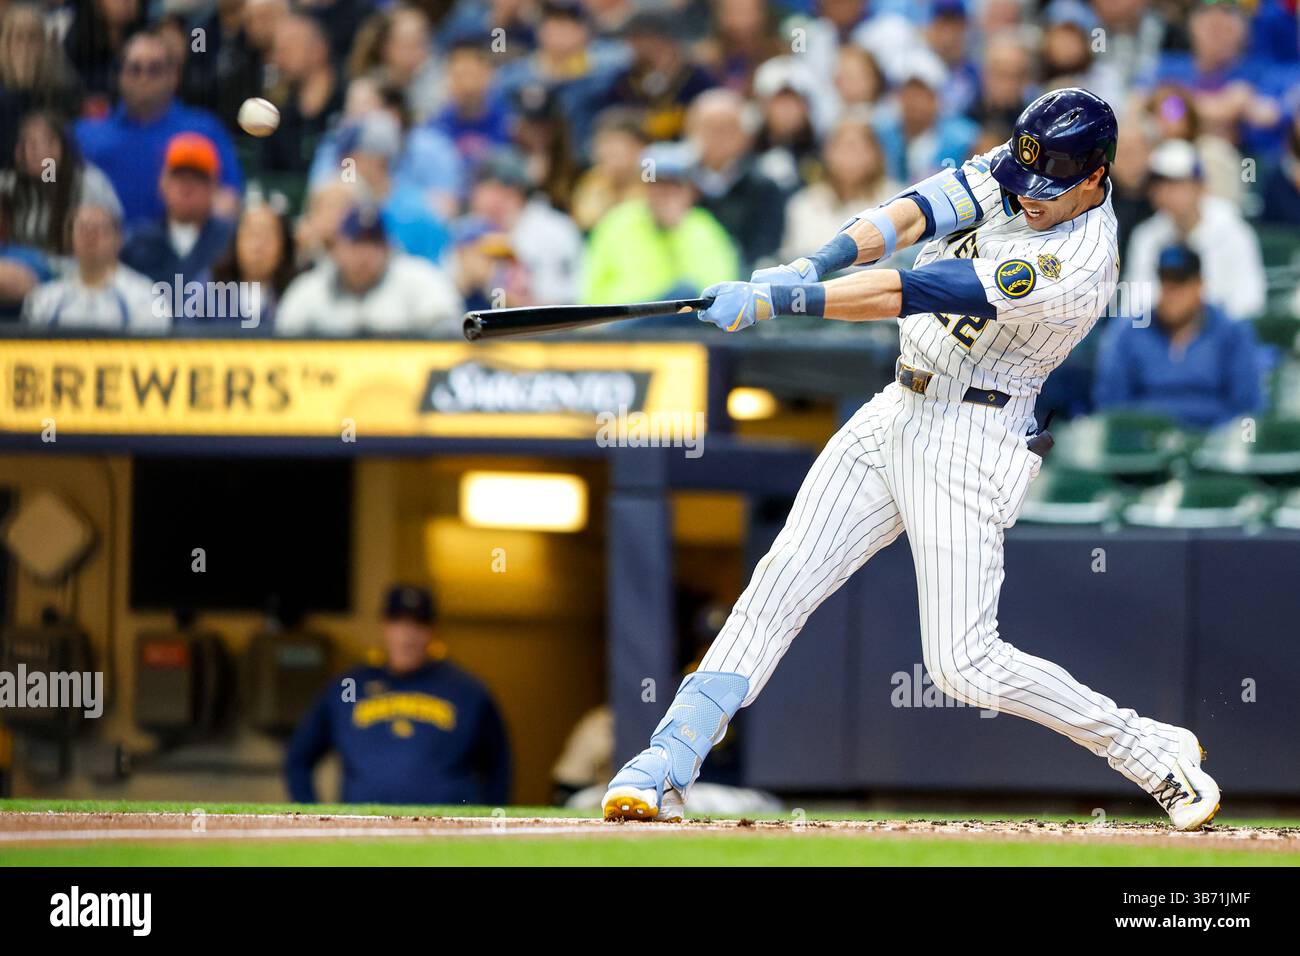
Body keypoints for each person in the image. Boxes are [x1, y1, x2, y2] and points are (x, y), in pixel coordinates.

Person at [603, 89, 1222, 833]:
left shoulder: (1079, 262)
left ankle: (1148, 749)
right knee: (778, 583)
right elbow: (910, 217)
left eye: (1047, 188)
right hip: (897, 404)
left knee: (963, 665)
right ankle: (668, 760)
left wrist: (789, 300)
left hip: (973, 434)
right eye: (1023, 179)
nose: (1028, 196)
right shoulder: (1022, 168)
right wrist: (812, 262)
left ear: (1094, 177)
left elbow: (913, 288)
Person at [285, 585, 511, 806]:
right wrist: (315, 817)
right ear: (383, 626)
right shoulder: (349, 686)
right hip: (363, 829)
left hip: (445, 828)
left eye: (418, 624)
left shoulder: (467, 690)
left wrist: (485, 823)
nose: (407, 635)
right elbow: (299, 758)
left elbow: (499, 766)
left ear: (433, 630)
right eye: (398, 622)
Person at [75, 30, 243, 226]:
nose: (144, 78)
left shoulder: (203, 129)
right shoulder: (86, 134)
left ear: (174, 76)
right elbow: (54, 185)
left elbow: (229, 198)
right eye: (135, 69)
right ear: (119, 76)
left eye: (154, 70)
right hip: (104, 241)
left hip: (182, 239)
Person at [1094, 245, 1262, 429]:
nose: (1171, 292)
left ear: (1199, 285)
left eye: (1180, 282)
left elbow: (1247, 407)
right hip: (1145, 438)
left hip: (1212, 437)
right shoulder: (1130, 333)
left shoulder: (1231, 333)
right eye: (1165, 281)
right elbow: (1112, 405)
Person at [1125, 138, 1265, 321]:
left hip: (1222, 329)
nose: (1167, 193)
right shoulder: (1146, 236)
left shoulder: (1232, 229)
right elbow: (1133, 304)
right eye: (1160, 185)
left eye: (1177, 183)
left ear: (1199, 185)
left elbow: (1251, 299)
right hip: (1163, 330)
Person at [582, 143, 737, 305]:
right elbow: (591, 291)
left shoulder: (704, 229)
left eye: (674, 185)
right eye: (657, 184)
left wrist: (675, 231)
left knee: (686, 293)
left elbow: (715, 296)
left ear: (689, 190)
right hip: (628, 316)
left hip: (683, 317)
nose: (665, 194)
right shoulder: (617, 223)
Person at [275, 203, 463, 336]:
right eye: (356, 243)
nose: (365, 255)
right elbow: (283, 342)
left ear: (388, 248)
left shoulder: (420, 280)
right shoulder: (311, 288)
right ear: (337, 248)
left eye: (374, 244)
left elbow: (448, 334)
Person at [23, 201, 168, 332]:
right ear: (70, 238)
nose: (90, 236)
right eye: (82, 228)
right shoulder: (45, 299)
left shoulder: (145, 296)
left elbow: (153, 349)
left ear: (119, 239)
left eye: (99, 229)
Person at [120, 133, 236, 294]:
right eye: (179, 177)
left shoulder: (230, 242)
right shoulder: (136, 243)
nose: (187, 187)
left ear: (213, 186)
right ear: (163, 183)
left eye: (197, 178)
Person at [685, 88, 786, 270]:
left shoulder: (764, 188)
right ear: (691, 132)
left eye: (728, 128)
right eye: (711, 128)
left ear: (745, 135)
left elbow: (765, 250)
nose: (719, 137)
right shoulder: (678, 185)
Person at [0, 110, 122, 259]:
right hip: (20, 261)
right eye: (25, 143)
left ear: (60, 147)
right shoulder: (9, 183)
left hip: (75, 264)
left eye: (40, 143)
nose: (31, 151)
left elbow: (112, 233)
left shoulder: (88, 183)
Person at [779, 114, 898, 264]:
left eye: (857, 149)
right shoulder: (803, 204)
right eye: (842, 148)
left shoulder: (896, 202)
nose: (850, 158)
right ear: (827, 153)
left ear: (876, 154)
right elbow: (793, 259)